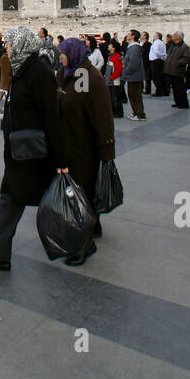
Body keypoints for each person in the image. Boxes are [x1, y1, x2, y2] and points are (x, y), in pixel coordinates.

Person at [0, 28, 59, 271]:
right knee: (14, 199)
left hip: (32, 152)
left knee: (19, 199)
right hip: (20, 150)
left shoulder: (39, 72)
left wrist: (61, 159)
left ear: (22, 45)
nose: (6, 48)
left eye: (10, 44)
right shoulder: (22, 69)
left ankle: (78, 240)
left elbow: (51, 117)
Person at [52, 36, 114, 262]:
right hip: (67, 144)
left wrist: (107, 150)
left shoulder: (87, 76)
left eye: (63, 52)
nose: (60, 56)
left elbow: (101, 115)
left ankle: (83, 247)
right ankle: (92, 226)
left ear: (74, 53)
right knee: (78, 192)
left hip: (84, 148)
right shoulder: (64, 74)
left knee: (82, 192)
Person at [121, 30, 147, 121]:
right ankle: (135, 112)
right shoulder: (132, 47)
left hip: (134, 76)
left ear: (133, 36)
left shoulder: (135, 48)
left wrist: (126, 71)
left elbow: (133, 63)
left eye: (129, 34)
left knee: (135, 95)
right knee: (132, 95)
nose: (127, 35)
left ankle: (140, 114)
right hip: (132, 76)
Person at [164, 32, 190, 109]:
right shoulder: (173, 45)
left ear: (179, 37)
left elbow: (186, 58)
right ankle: (177, 101)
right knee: (175, 88)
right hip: (171, 70)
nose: (173, 36)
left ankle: (184, 103)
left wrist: (177, 63)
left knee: (180, 88)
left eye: (175, 35)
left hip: (178, 71)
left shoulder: (184, 47)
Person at [103, 37, 124, 119]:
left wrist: (111, 78)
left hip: (114, 81)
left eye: (110, 45)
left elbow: (118, 70)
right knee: (111, 97)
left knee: (115, 97)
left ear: (113, 48)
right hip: (110, 80)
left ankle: (118, 112)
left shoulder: (117, 56)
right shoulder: (110, 56)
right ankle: (113, 111)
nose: (109, 46)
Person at [148, 32, 169, 97]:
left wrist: (163, 55)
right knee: (161, 77)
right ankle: (165, 91)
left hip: (155, 61)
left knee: (156, 77)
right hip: (159, 61)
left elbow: (157, 52)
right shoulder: (162, 43)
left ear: (157, 36)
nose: (153, 37)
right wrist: (164, 56)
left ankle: (159, 91)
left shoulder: (156, 42)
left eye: (154, 35)